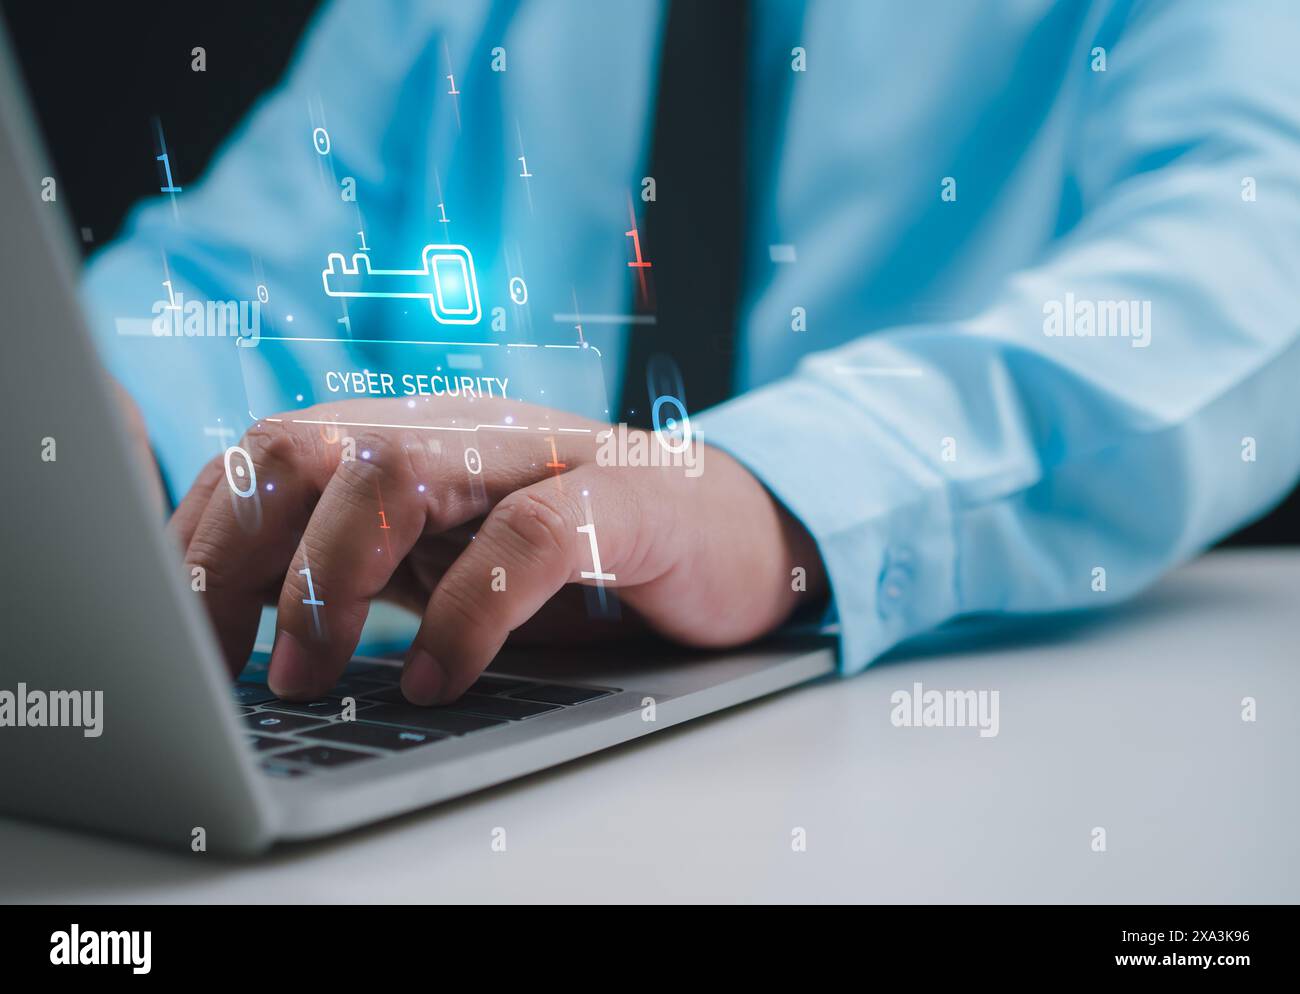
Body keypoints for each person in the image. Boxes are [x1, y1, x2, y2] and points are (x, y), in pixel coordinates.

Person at [83, 0, 1300, 706]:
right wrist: (92, 427)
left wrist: (769, 489)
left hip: (920, 711)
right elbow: (230, 275)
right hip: (449, 692)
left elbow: (1253, 224)